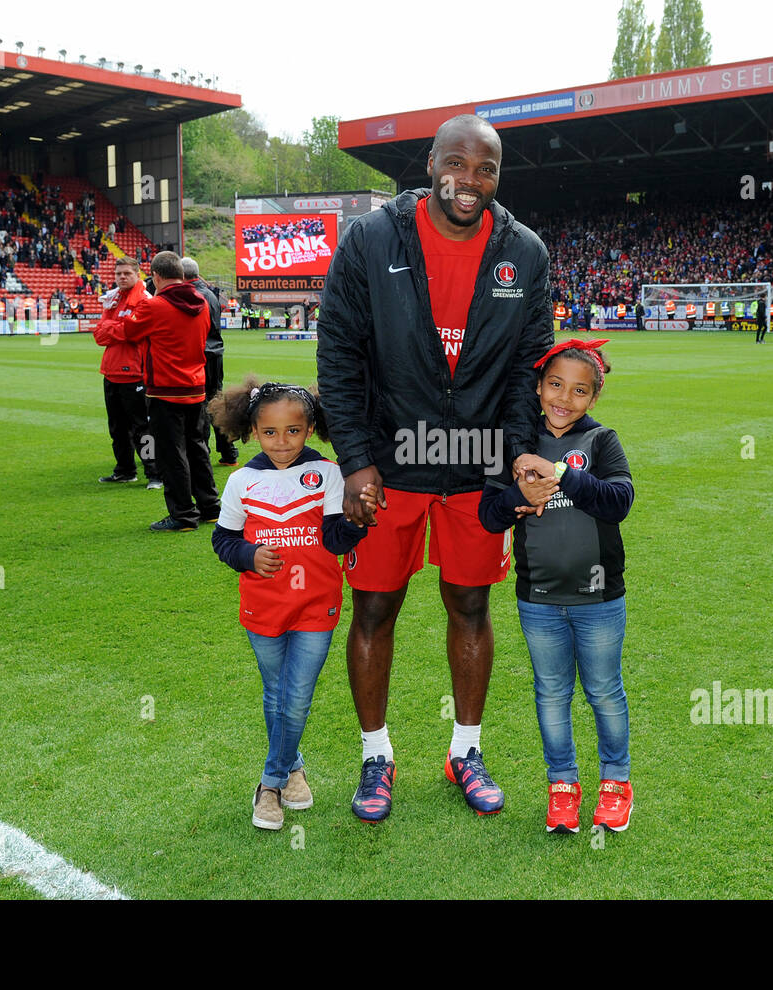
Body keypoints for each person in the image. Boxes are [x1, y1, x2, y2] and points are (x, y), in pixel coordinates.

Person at [316, 113, 553, 822]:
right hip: (391, 464)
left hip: (477, 469)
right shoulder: (371, 237)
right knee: (376, 608)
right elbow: (340, 355)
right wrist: (355, 460)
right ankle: (375, 755)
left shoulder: (526, 253)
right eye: (458, 164)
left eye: (486, 169)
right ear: (430, 164)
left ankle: (466, 748)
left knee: (472, 605)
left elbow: (527, 368)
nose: (470, 182)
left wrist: (514, 460)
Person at [478, 339, 635, 833]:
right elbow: (489, 514)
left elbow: (618, 501)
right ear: (539, 386)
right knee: (550, 695)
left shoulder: (601, 441)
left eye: (580, 391)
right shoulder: (513, 444)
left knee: (604, 692)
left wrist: (563, 474)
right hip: (539, 599)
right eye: (555, 385)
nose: (564, 398)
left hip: (599, 597)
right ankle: (562, 785)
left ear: (594, 397)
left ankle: (616, 782)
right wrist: (519, 496)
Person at [208, 379, 368, 831]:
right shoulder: (243, 480)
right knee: (276, 695)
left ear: (311, 428)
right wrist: (247, 556)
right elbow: (223, 539)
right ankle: (293, 766)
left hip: (317, 605)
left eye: (294, 431)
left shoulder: (329, 474)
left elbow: (336, 540)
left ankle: (270, 783)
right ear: (252, 432)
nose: (282, 442)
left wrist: (359, 522)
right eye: (270, 432)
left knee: (295, 699)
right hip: (263, 608)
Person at [119, 251, 220, 532]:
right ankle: (210, 507)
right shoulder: (201, 300)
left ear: (156, 276)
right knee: (197, 447)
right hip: (196, 386)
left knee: (171, 453)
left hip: (165, 390)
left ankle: (183, 515)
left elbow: (129, 331)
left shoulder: (156, 306)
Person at [92, 258, 161, 488]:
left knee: (142, 427)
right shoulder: (113, 298)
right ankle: (124, 470)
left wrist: (113, 328)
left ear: (137, 274)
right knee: (117, 427)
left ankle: (154, 473)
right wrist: (117, 327)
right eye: (118, 273)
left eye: (127, 273)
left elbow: (132, 332)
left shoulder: (144, 300)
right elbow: (99, 336)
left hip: (134, 373)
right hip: (111, 371)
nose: (122, 277)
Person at [181, 256, 238, 468]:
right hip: (215, 354)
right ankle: (228, 451)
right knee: (216, 403)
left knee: (201, 406)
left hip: (201, 355)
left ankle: (201, 452)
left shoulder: (193, 295)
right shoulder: (210, 293)